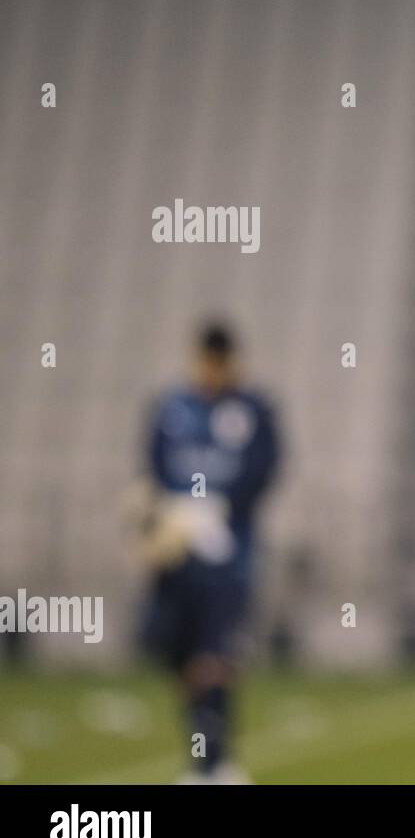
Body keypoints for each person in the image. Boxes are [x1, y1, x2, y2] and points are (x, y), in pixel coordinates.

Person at [138, 321, 280, 784]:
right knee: (179, 656)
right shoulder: (172, 408)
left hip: (229, 554)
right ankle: (200, 757)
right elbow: (155, 468)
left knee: (217, 656)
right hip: (178, 557)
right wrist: (164, 517)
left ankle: (216, 762)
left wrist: (218, 509)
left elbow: (264, 469)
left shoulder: (253, 409)